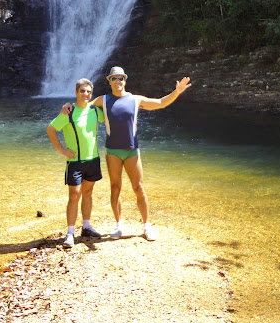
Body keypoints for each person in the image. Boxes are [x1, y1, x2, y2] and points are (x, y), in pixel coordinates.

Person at [64, 66, 191, 242]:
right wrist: (68, 105)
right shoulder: (103, 100)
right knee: (115, 188)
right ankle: (119, 226)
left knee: (139, 188)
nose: (117, 81)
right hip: (112, 151)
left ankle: (147, 226)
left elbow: (161, 103)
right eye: (114, 78)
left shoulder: (135, 99)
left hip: (132, 150)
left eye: (120, 78)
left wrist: (177, 92)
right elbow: (82, 106)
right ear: (109, 81)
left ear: (125, 80)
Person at [46, 78, 105, 247]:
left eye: (88, 91)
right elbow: (51, 129)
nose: (85, 94)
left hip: (93, 159)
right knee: (74, 196)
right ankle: (70, 233)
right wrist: (61, 150)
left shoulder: (95, 111)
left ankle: (86, 226)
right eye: (82, 91)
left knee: (88, 194)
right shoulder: (68, 112)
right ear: (76, 92)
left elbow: (110, 109)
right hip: (75, 161)